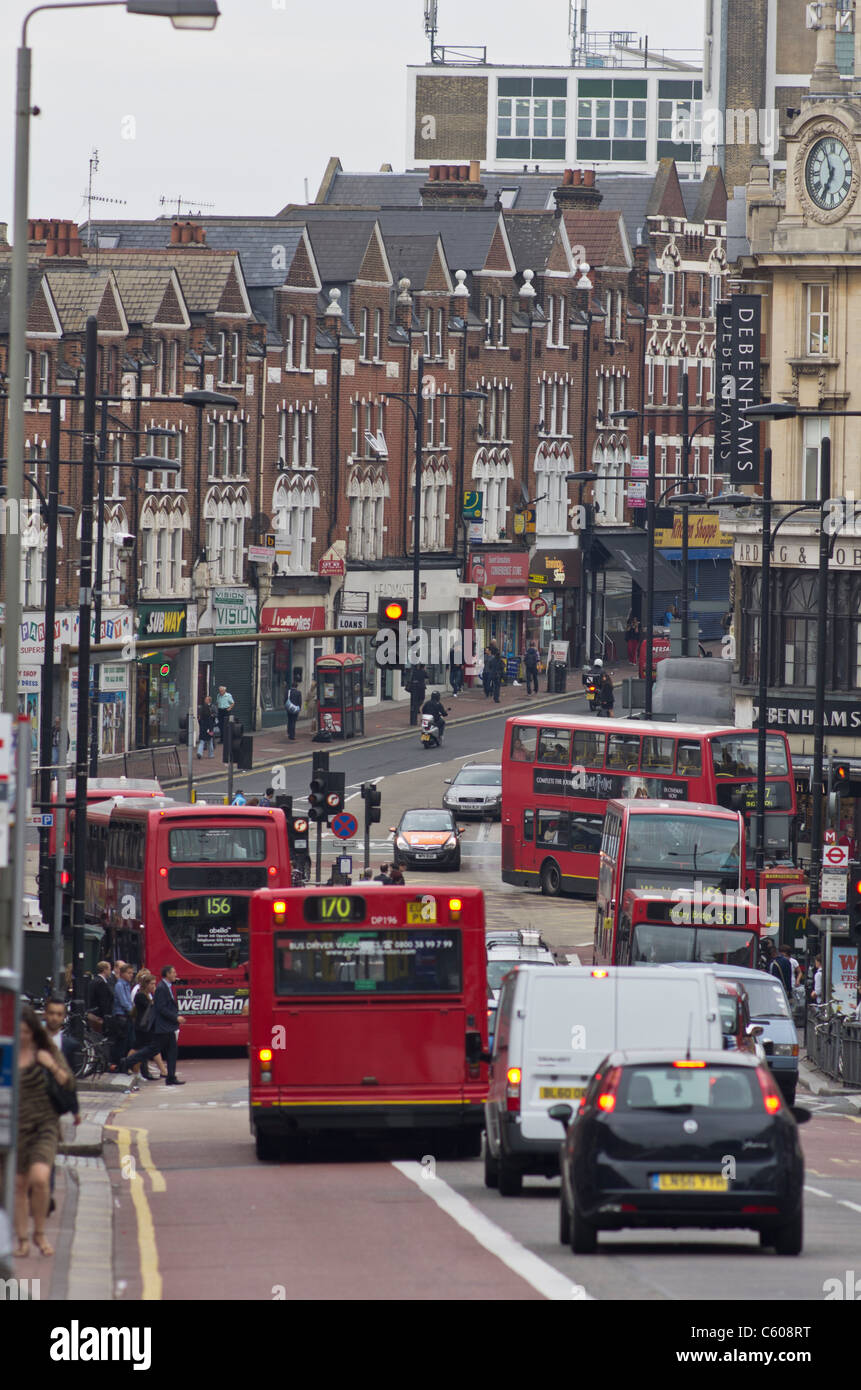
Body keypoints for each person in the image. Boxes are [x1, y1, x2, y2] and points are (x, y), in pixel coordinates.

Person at [15, 1004, 75, 1257]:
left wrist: (50, 1065)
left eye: (27, 1032)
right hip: (17, 1125)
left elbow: (68, 1082)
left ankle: (39, 1233)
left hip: (45, 1124)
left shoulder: (45, 1050)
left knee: (39, 1179)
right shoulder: (6, 1052)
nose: (23, 1037)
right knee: (18, 1184)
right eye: (19, 1032)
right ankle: (23, 1240)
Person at [119, 964, 185, 1085]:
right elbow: (161, 1008)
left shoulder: (167, 987)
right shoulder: (161, 988)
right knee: (151, 1050)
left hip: (167, 1026)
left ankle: (170, 1077)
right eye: (173, 972)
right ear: (167, 974)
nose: (176, 974)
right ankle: (127, 1062)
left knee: (172, 1051)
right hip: (162, 1026)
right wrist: (176, 1018)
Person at [111, 963, 136, 1064]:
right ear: (122, 974)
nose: (131, 975)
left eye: (132, 973)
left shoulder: (126, 985)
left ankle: (126, 1063)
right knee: (122, 1043)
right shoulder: (120, 985)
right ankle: (119, 1064)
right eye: (129, 973)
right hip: (121, 1017)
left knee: (129, 1042)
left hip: (127, 1017)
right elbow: (124, 1002)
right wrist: (133, 1013)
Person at [89, 960, 114, 1029]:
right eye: (109, 969)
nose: (110, 971)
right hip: (99, 1015)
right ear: (104, 970)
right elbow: (103, 1001)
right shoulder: (101, 983)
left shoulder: (94, 980)